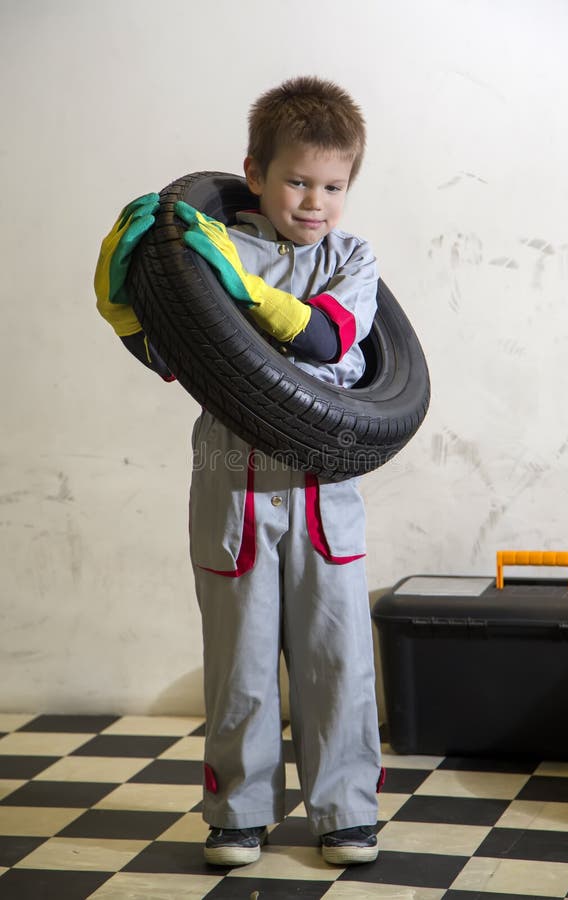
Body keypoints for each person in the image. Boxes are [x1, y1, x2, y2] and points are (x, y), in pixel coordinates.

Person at [95, 76, 384, 868]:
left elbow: (327, 342)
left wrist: (240, 296)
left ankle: (346, 812)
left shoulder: (351, 259)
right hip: (234, 482)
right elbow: (172, 356)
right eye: (297, 180)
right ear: (253, 172)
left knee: (337, 659)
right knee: (241, 659)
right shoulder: (208, 247)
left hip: (326, 488)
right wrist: (128, 302)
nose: (315, 201)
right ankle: (237, 813)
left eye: (333, 185)